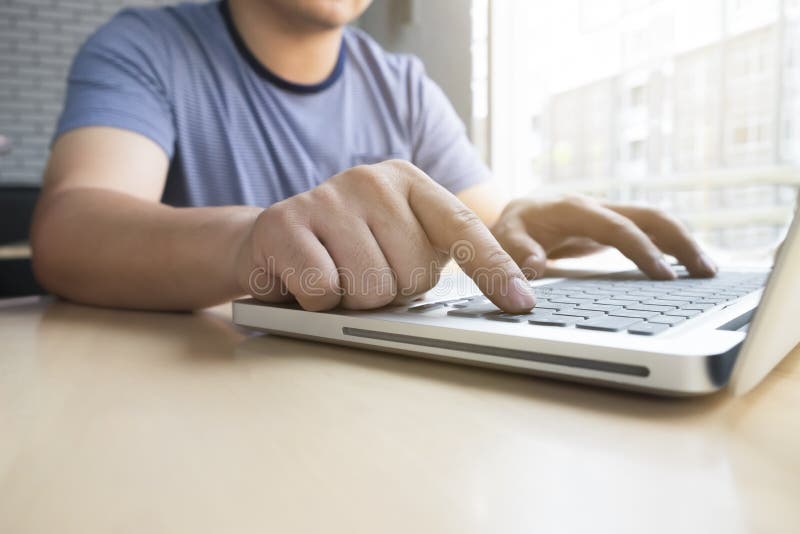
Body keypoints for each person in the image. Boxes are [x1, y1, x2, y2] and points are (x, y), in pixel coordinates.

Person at [30, 0, 717, 314]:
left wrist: (513, 223)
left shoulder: (405, 86)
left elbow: (480, 220)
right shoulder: (144, 48)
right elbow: (71, 232)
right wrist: (254, 242)